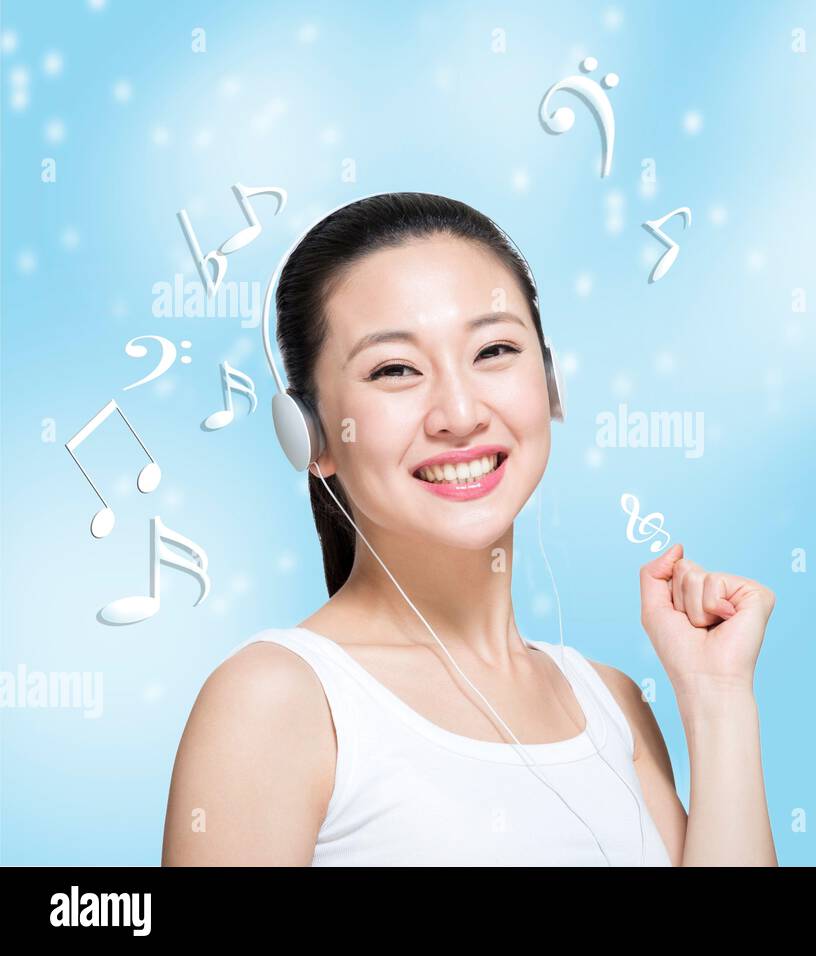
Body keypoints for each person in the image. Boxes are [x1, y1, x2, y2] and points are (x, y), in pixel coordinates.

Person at [161, 193, 777, 866]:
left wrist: (717, 699)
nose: (458, 413)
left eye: (494, 350)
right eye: (394, 369)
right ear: (309, 434)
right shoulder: (277, 701)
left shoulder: (612, 703)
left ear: (549, 383)